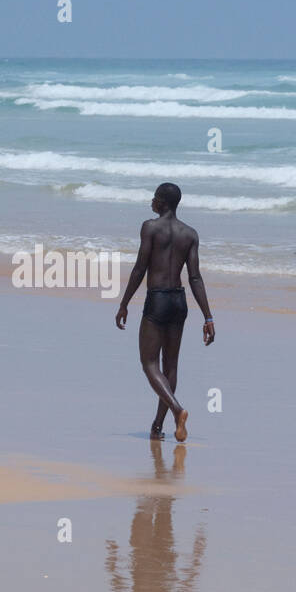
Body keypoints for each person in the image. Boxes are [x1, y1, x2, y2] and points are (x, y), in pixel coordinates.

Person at [115, 183, 215, 442]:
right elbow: (195, 278)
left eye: (155, 198)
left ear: (162, 203)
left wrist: (124, 303)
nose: (151, 202)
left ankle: (177, 410)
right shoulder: (190, 234)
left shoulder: (150, 227)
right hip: (179, 302)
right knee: (170, 366)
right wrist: (208, 316)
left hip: (157, 299)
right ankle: (158, 428)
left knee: (149, 363)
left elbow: (140, 268)